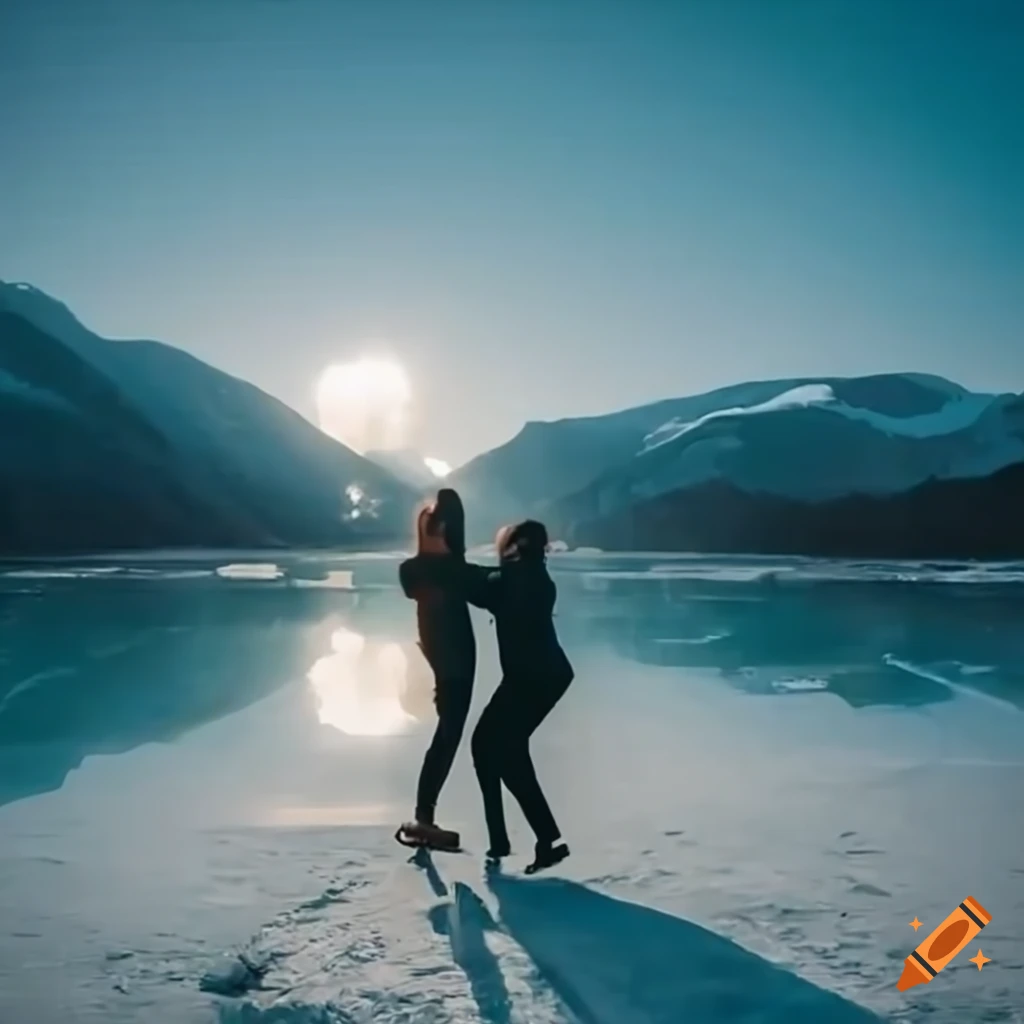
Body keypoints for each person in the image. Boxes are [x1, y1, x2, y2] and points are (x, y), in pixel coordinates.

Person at [467, 519, 574, 874]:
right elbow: (483, 579)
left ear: (512, 546)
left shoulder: (513, 582)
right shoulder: (537, 580)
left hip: (531, 679)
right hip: (545, 677)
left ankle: (526, 839)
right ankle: (521, 839)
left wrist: (443, 567)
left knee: (492, 747)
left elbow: (477, 584)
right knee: (496, 748)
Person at [395, 488, 476, 848]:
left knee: (449, 735)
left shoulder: (435, 571)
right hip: (451, 663)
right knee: (448, 735)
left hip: (453, 660)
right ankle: (423, 818)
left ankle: (423, 817)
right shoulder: (436, 572)